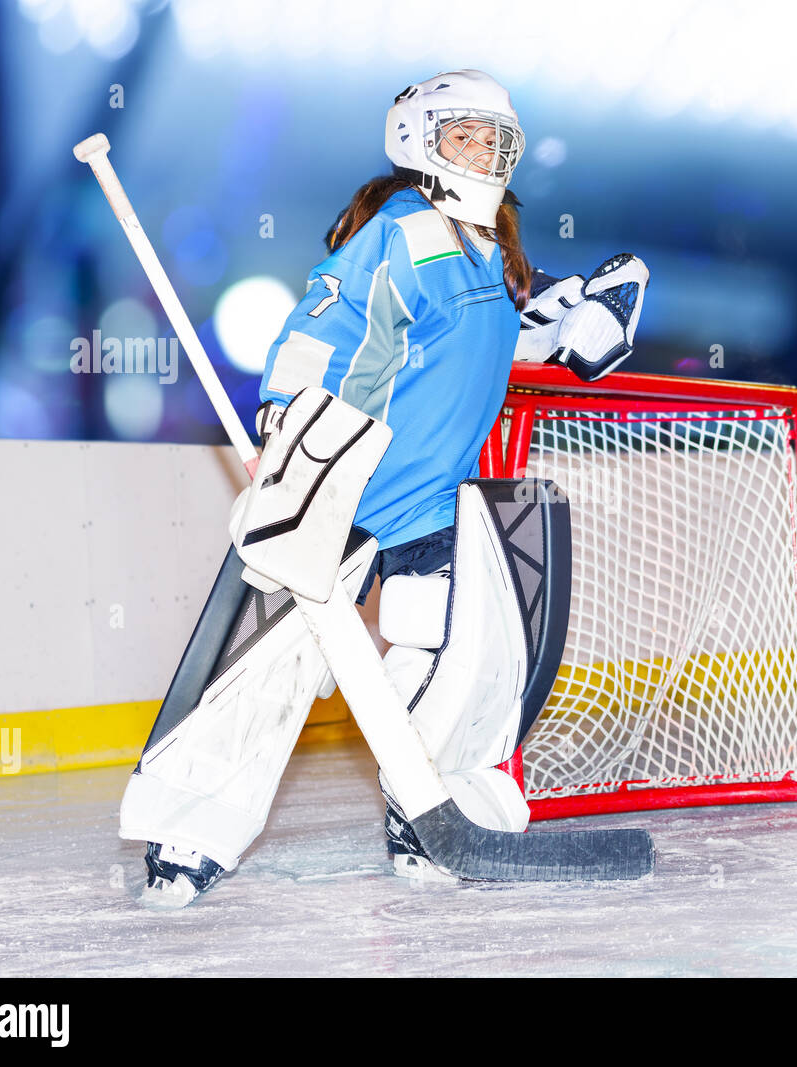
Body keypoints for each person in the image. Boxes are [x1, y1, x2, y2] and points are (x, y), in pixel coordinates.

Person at [123, 70, 649, 902]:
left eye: (495, 140)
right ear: (419, 141)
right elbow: (325, 321)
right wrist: (284, 421)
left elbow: (530, 328)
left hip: (436, 500)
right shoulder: (405, 232)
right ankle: (188, 833)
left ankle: (434, 813)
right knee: (264, 661)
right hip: (347, 483)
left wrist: (597, 310)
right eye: (464, 136)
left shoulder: (491, 253)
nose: (483, 153)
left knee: (455, 655)